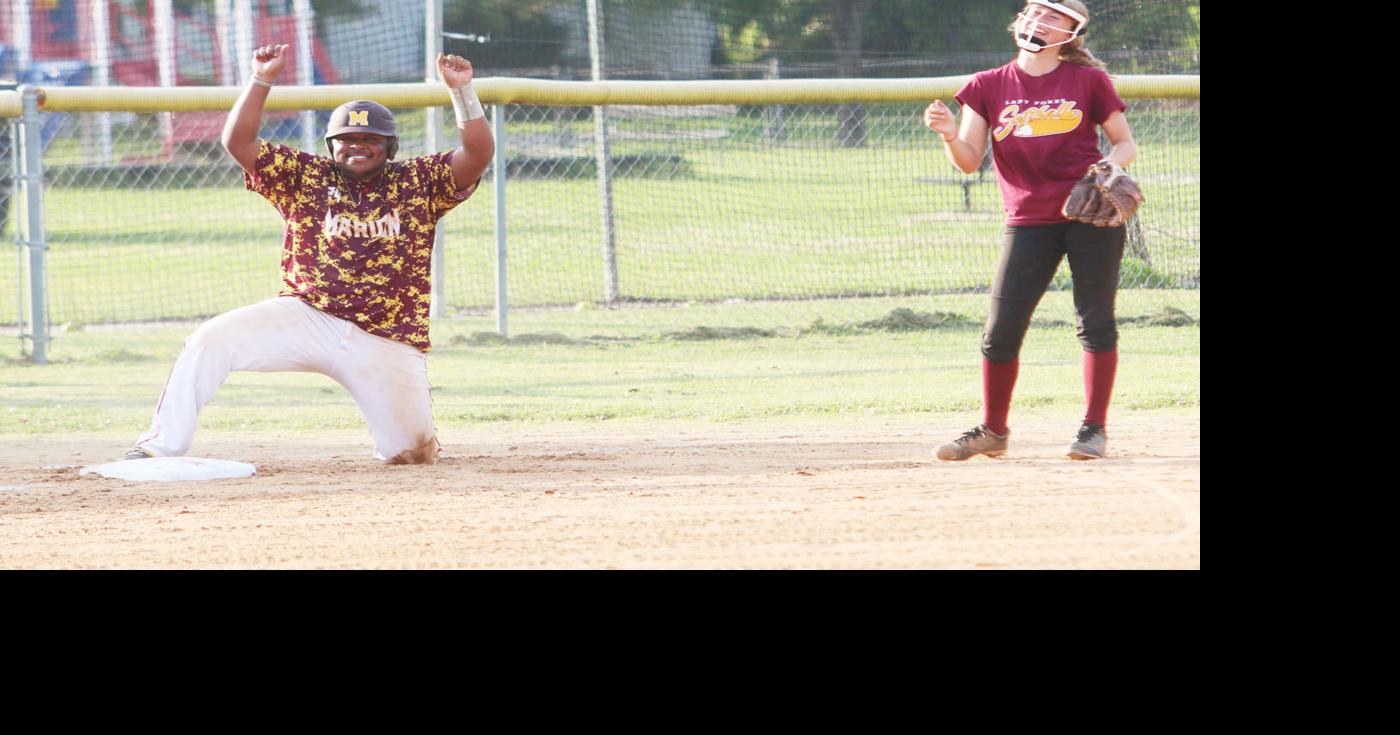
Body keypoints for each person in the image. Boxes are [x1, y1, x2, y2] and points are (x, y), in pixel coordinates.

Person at [125, 44, 494, 464]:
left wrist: (462, 92)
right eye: (346, 139)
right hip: (307, 315)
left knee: (411, 455)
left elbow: (478, 155)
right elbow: (238, 143)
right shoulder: (305, 175)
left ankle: (404, 445)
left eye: (370, 139)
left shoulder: (417, 180)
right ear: (330, 145)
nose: (357, 146)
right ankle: (159, 446)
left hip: (386, 337)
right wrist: (262, 80)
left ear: (389, 147)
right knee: (211, 339)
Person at [922, 0, 1137, 461]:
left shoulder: (1088, 81)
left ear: (1072, 32)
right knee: (1000, 330)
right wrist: (947, 134)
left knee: (1094, 321)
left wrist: (1103, 170)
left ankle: (1092, 430)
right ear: (1020, 20)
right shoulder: (986, 85)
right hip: (1027, 220)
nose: (1039, 21)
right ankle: (993, 432)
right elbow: (968, 160)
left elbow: (1124, 143)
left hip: (1087, 214)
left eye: (1054, 16)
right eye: (1034, 12)